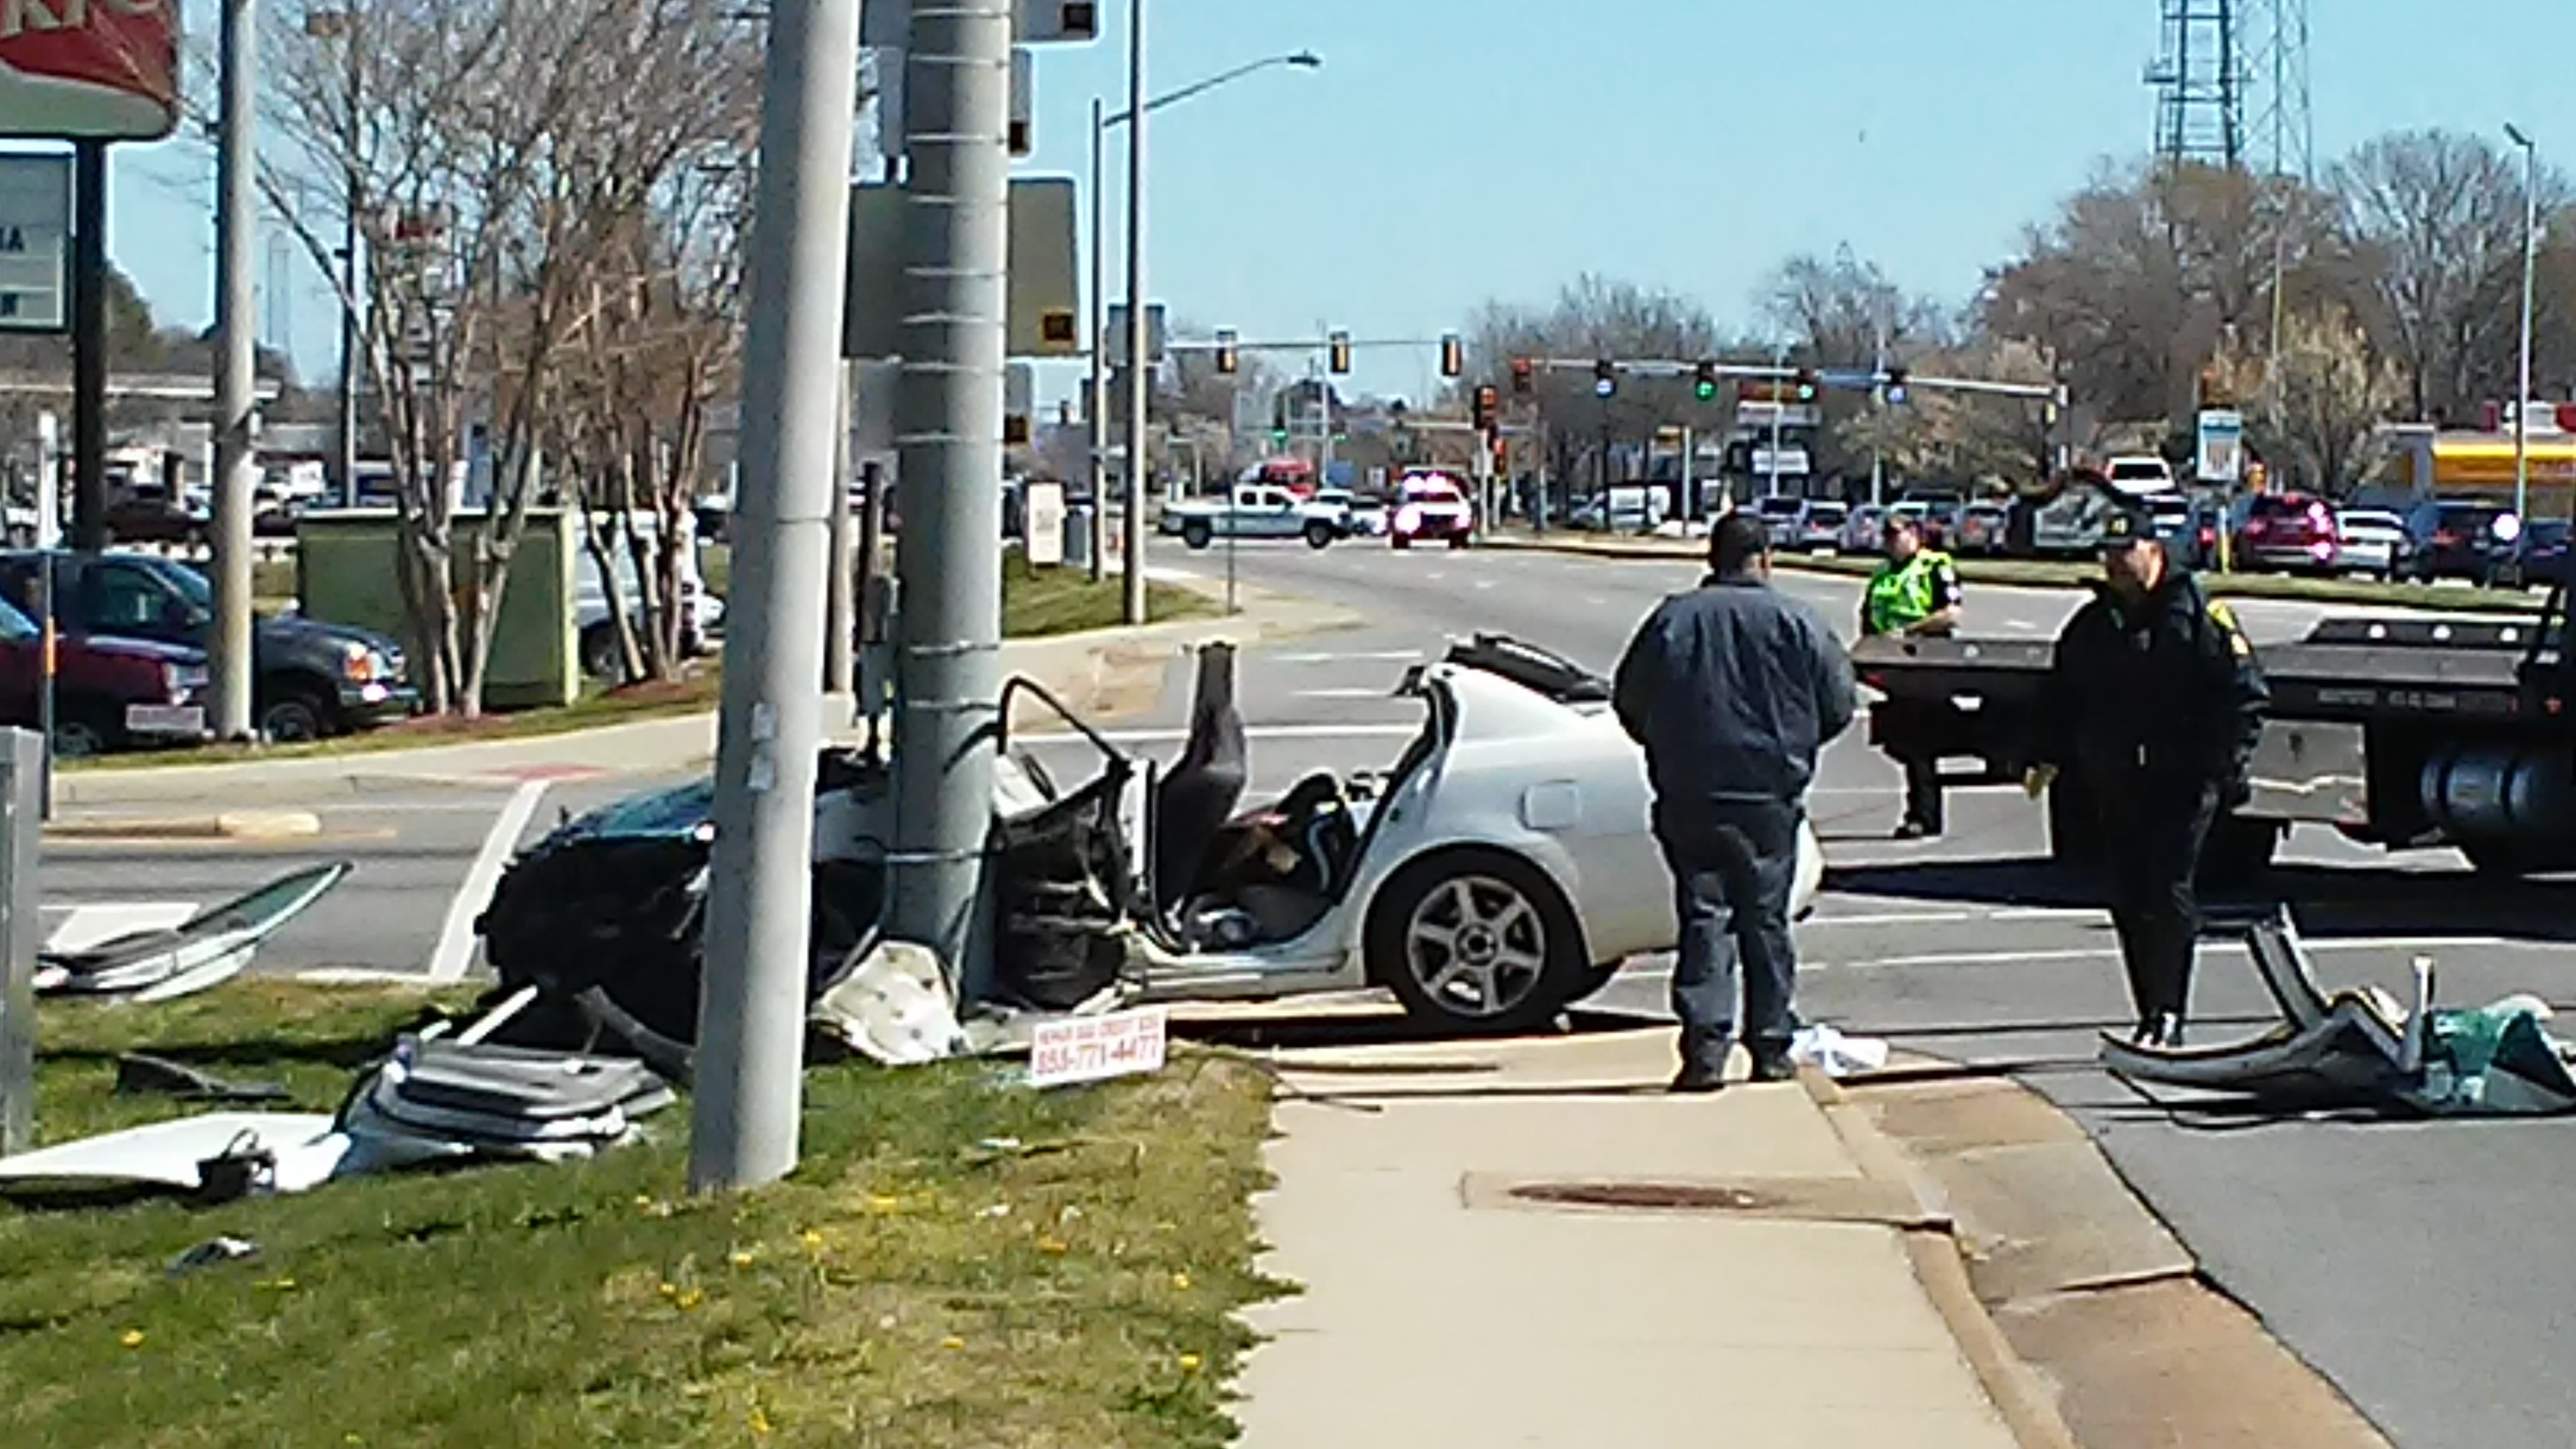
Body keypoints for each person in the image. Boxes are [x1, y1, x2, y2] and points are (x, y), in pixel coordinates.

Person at [1614, 511, 1859, 1092]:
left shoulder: (1674, 620)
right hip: (1769, 791)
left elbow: (1631, 700)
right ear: (1766, 558)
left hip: (1691, 791)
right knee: (1767, 920)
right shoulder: (1798, 620)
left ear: (1711, 558)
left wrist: (1670, 747)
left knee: (1705, 918)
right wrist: (1793, 748)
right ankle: (1771, 1046)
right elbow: (1839, 703)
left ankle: (1705, 1050)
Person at [2025, 506, 2268, 1048]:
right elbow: (2061, 694)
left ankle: (2171, 1014)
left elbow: (2245, 695)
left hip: (2182, 781)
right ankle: (2147, 1012)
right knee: (2128, 894)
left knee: (2168, 891)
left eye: (2126, 552)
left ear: (2155, 552)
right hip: (2117, 780)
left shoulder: (2199, 614)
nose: (2116, 564)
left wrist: (2225, 767)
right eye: (2108, 554)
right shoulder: (2095, 624)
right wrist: (2046, 753)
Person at [1858, 512, 1964, 838]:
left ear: (1915, 535)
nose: (1890, 541)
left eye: (1897, 534)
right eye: (1886, 535)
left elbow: (1951, 614)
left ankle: (1924, 814)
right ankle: (1921, 810)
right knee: (1904, 742)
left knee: (1921, 744)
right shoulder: (1882, 573)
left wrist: (1908, 631)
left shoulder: (1935, 566)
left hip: (1927, 664)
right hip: (1892, 668)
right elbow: (1868, 613)